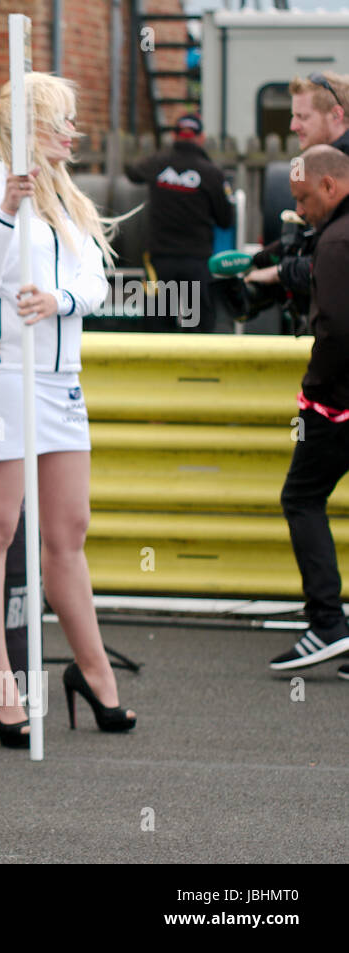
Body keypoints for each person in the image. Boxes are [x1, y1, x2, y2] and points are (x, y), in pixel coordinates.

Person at [0, 73, 136, 748]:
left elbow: (95, 284)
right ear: (26, 127)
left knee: (68, 531)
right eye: (61, 121)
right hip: (0, 377)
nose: (73, 133)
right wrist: (5, 209)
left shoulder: (69, 199)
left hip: (61, 378)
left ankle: (94, 674)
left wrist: (59, 298)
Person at [269, 145, 349, 679]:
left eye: (303, 199)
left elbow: (338, 331)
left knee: (300, 498)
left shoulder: (336, 242)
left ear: (329, 186)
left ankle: (327, 623)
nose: (300, 211)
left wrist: (315, 386)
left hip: (337, 404)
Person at [124, 113, 233, 332]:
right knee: (198, 330)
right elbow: (225, 219)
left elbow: (132, 172)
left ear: (174, 136)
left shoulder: (158, 163)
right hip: (196, 263)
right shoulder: (212, 173)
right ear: (201, 138)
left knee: (159, 330)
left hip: (161, 262)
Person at [246, 73, 349, 295]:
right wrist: (254, 261)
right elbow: (303, 232)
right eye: (293, 116)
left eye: (302, 117)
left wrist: (280, 272)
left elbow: (337, 262)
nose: (293, 125)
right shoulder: (303, 162)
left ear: (336, 114)